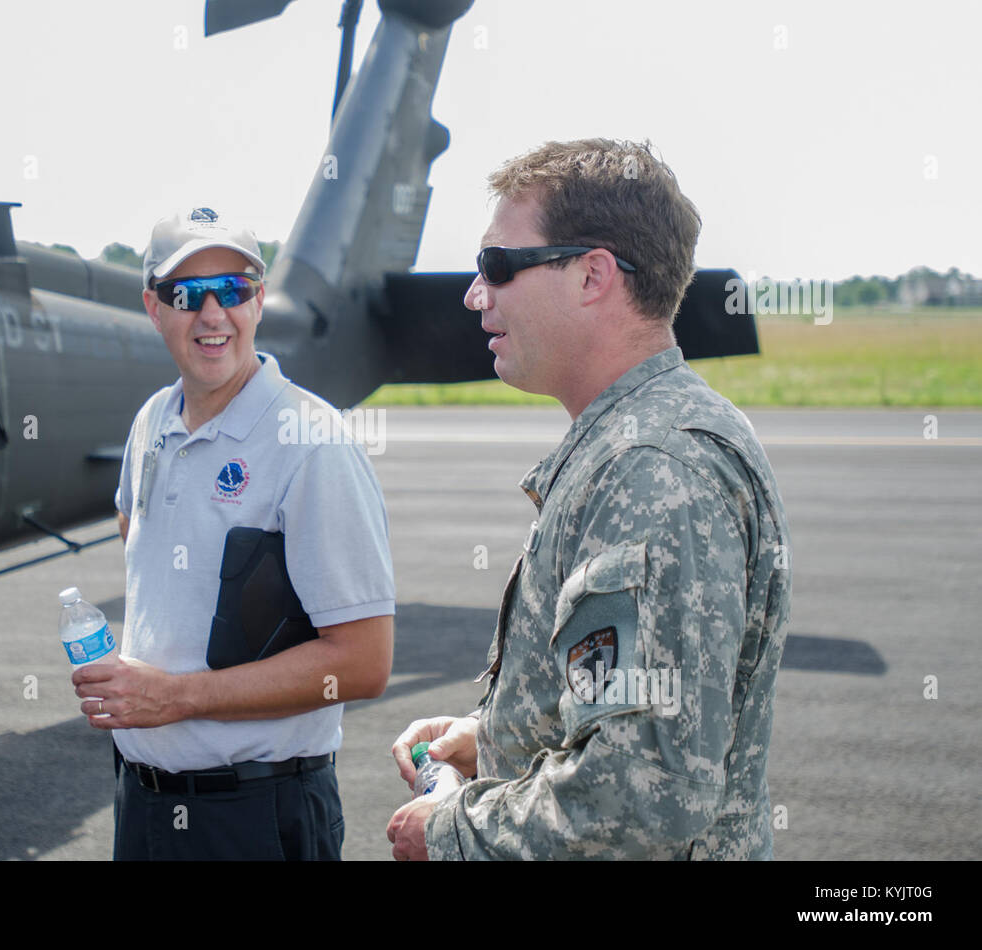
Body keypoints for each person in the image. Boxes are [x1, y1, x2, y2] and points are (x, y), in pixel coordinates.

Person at [386, 140, 792, 860]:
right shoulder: (643, 441)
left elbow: (640, 795)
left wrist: (449, 833)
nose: (475, 294)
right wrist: (498, 734)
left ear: (592, 276)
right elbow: (624, 708)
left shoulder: (652, 471)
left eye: (497, 266)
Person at [75, 206, 394, 860]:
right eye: (188, 294)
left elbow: (363, 664)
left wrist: (178, 696)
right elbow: (137, 541)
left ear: (258, 301)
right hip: (141, 804)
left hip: (255, 815)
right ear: (153, 306)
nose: (213, 313)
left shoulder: (311, 442)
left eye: (235, 289)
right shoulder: (150, 424)